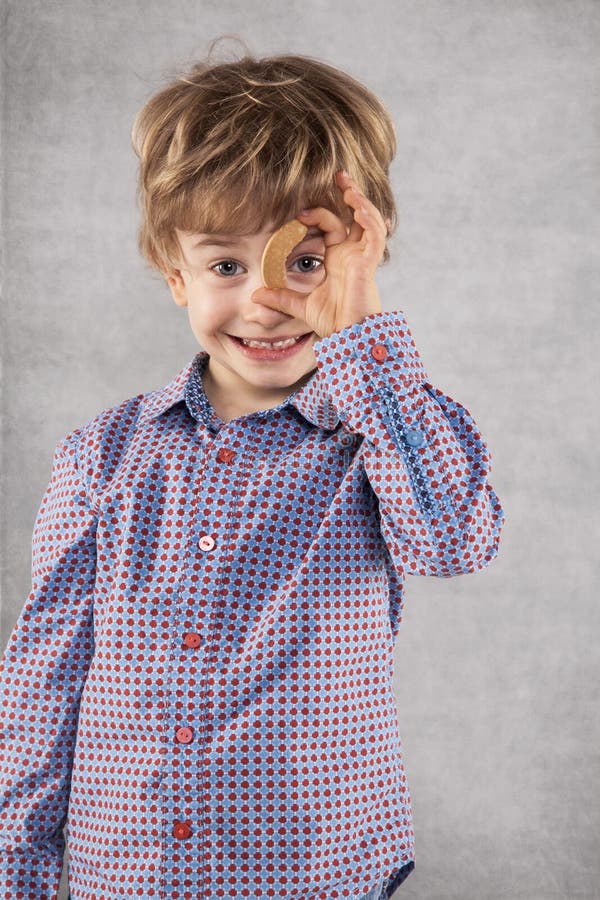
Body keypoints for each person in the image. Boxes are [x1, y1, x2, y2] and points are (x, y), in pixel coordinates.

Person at [0, 42, 506, 900]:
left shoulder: (383, 436)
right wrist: (18, 872)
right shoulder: (104, 454)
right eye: (225, 266)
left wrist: (360, 323)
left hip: (316, 872)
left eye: (303, 262)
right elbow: (43, 680)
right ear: (174, 277)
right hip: (125, 872)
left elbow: (454, 543)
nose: (267, 300)